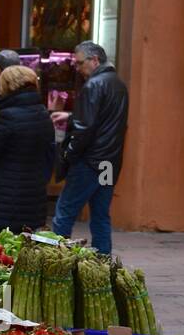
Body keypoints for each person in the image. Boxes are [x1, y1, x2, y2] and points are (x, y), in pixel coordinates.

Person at [52, 41, 129, 254]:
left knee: (64, 213)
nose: (77, 68)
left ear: (94, 60)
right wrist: (70, 116)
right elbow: (105, 119)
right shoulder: (118, 84)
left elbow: (85, 129)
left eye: (79, 63)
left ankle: (58, 263)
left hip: (90, 162)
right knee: (101, 216)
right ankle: (103, 267)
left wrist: (68, 154)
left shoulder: (93, 85)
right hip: (109, 162)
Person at [0, 66, 54, 234]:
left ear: (7, 86)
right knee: (23, 249)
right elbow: (50, 155)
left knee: (0, 252)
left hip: (4, 201)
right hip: (34, 199)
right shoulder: (43, 114)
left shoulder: (7, 116)